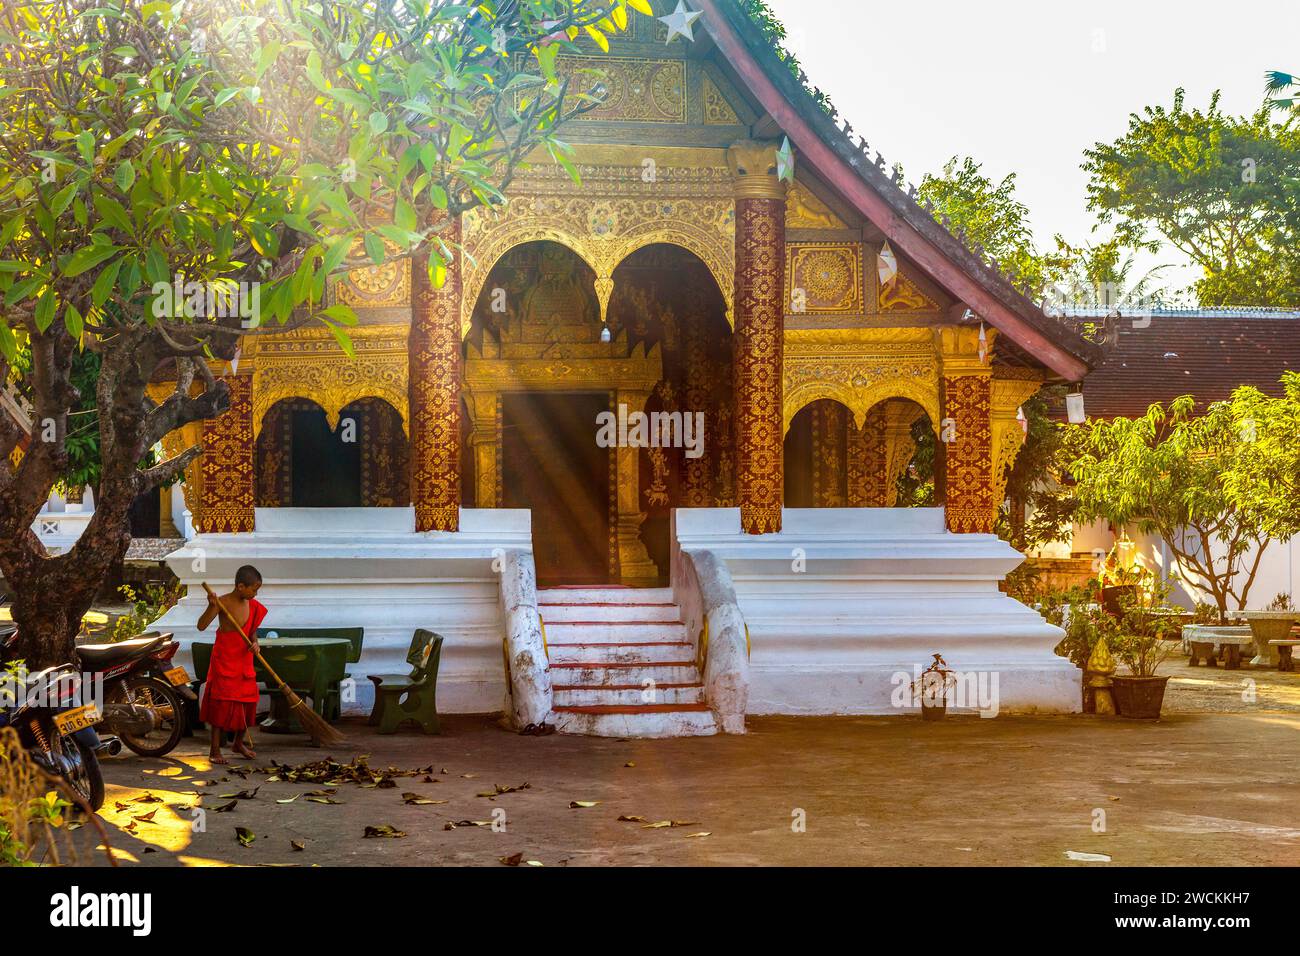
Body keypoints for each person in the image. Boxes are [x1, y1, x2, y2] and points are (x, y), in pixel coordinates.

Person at [197, 565, 267, 764]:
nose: (256, 593)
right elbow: (201, 626)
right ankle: (214, 750)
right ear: (240, 586)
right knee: (221, 703)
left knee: (248, 701)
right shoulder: (223, 602)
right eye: (254, 589)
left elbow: (252, 631)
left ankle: (238, 743)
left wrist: (256, 644)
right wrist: (212, 606)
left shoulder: (253, 606)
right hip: (224, 660)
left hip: (244, 661)